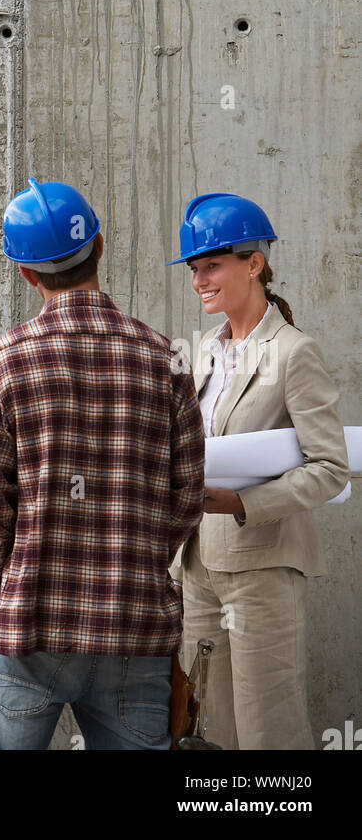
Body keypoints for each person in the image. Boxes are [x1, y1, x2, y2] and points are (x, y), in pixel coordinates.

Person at [0, 179, 204, 749]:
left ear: (26, 274)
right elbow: (187, 496)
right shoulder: (165, 358)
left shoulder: (2, 363)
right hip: (135, 631)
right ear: (98, 246)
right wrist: (135, 562)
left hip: (29, 627)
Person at [167, 192, 350, 750]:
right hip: (196, 566)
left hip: (262, 569)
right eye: (195, 268)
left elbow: (330, 468)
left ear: (255, 263)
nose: (200, 279)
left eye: (212, 265)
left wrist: (243, 503)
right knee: (206, 724)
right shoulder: (203, 353)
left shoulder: (294, 353)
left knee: (268, 727)